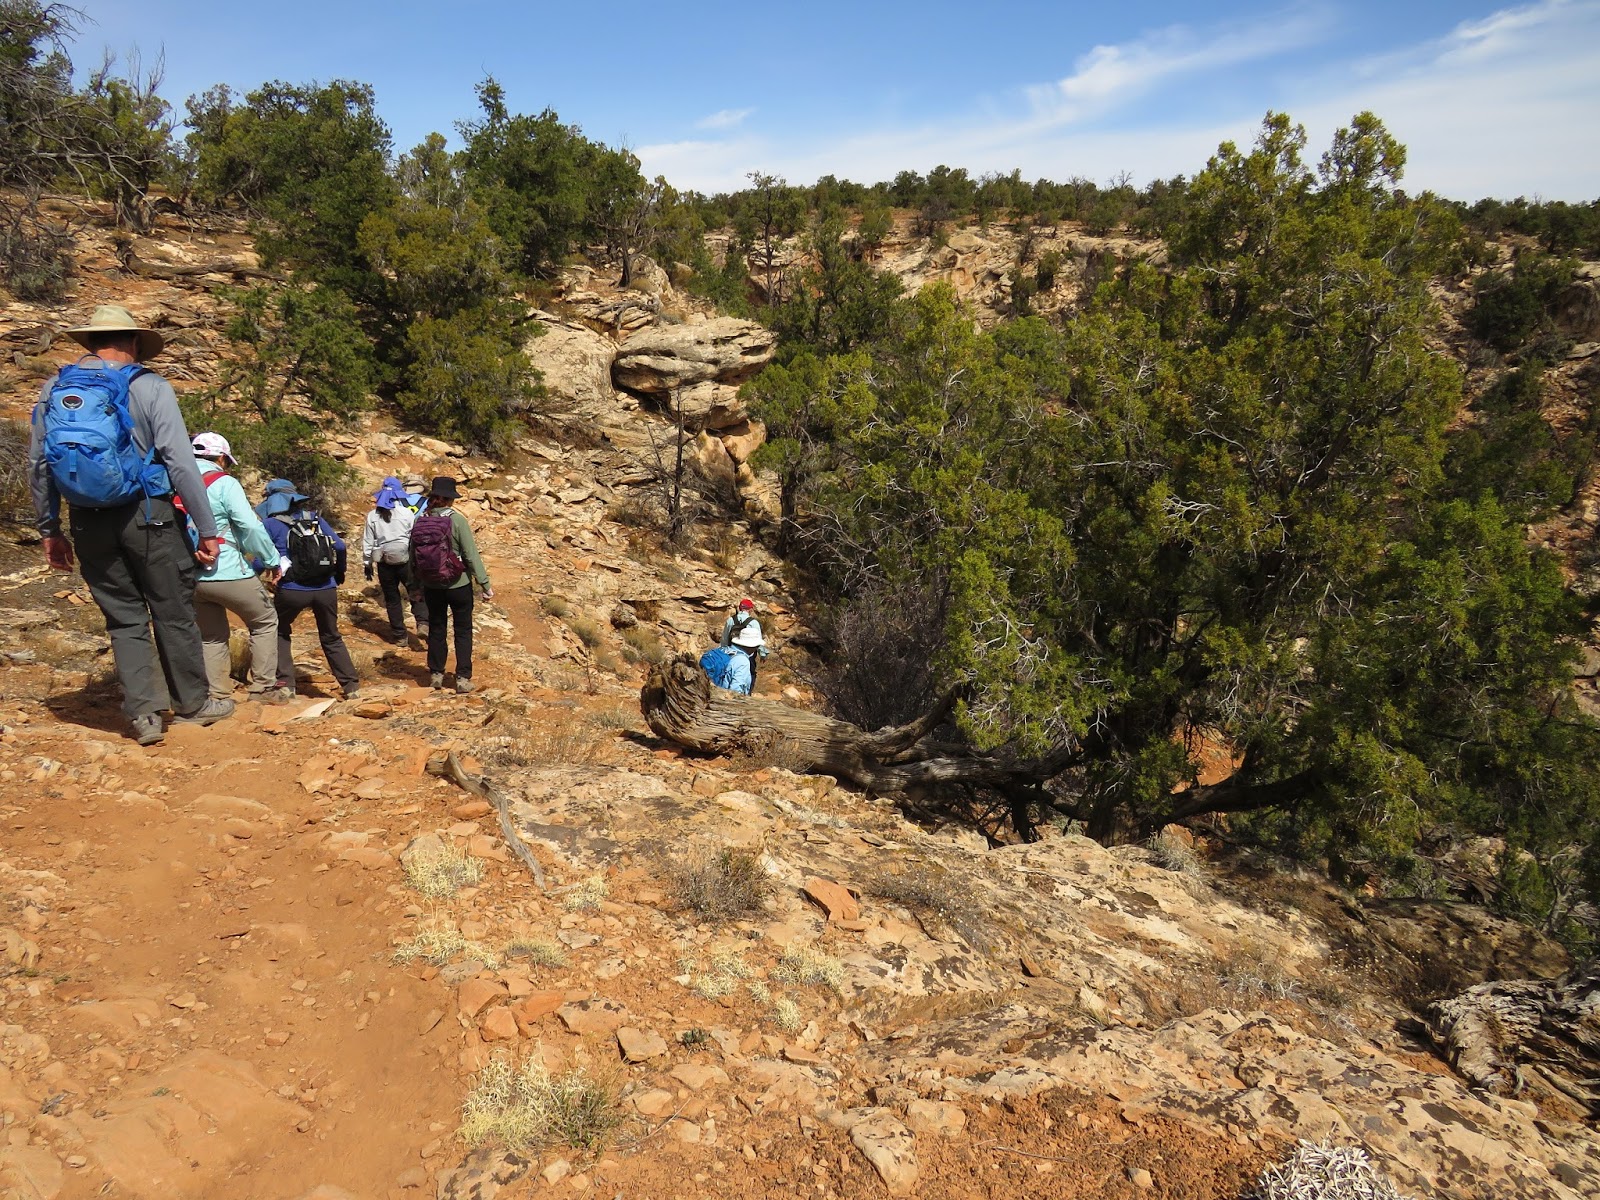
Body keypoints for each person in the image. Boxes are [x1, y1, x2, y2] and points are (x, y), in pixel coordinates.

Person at [28, 304, 235, 746]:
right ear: (136, 342)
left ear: (90, 342)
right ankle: (194, 704)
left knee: (123, 619)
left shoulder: (53, 388)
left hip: (88, 520)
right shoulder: (151, 386)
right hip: (149, 515)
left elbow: (38, 464)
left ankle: (144, 715)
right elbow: (181, 462)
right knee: (172, 612)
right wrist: (208, 529)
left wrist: (50, 529)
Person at [188, 432, 287, 704]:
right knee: (264, 621)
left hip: (188, 573)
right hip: (226, 568)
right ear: (221, 458)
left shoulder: (173, 479)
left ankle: (218, 696)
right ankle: (262, 689)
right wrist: (271, 560)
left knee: (211, 637)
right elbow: (249, 525)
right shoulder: (223, 482)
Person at [263, 483, 361, 700]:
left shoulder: (270, 523)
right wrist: (339, 573)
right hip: (326, 588)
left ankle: (287, 684)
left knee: (278, 629)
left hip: (291, 589)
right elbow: (341, 547)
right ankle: (351, 687)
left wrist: (256, 574)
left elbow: (263, 557)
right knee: (331, 636)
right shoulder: (314, 518)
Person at [408, 477, 491, 693]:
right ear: (450, 500)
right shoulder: (458, 521)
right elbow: (471, 556)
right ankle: (462, 678)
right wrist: (484, 583)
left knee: (437, 628)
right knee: (463, 631)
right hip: (458, 584)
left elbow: (413, 557)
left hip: (431, 585)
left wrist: (415, 585)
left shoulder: (420, 521)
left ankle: (436, 674)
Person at [362, 475, 424, 643]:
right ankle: (423, 623)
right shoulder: (406, 513)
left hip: (384, 562)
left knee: (392, 598)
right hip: (405, 560)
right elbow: (414, 538)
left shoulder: (372, 516)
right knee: (415, 591)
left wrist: (367, 563)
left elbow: (368, 541)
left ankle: (400, 636)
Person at [720, 598, 768, 687]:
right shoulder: (753, 622)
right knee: (748, 676)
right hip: (748, 655)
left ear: (739, 608)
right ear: (750, 609)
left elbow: (725, 639)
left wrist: (723, 652)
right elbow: (758, 641)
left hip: (730, 654)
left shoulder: (730, 620)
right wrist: (763, 655)